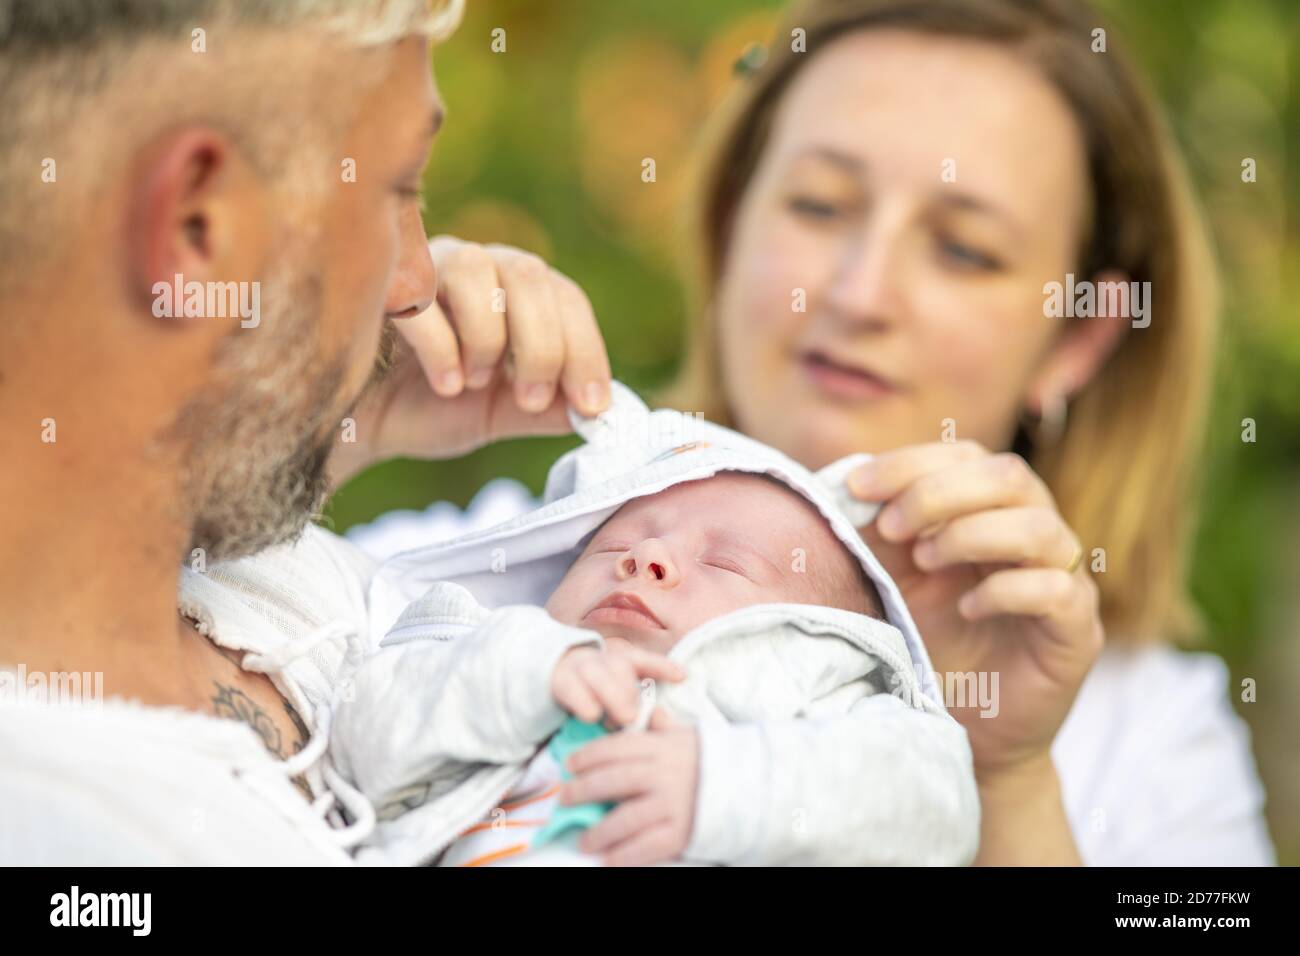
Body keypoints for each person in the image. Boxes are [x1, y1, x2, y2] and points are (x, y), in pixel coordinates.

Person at [352, 0, 1276, 865]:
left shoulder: (1154, 733)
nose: (858, 293)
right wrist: (351, 419)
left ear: (1075, 337)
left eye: (964, 250)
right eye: (820, 205)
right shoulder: (457, 579)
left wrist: (1005, 779)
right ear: (730, 224)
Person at [0, 0, 616, 863]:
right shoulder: (64, 826)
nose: (415, 283)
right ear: (195, 224)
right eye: (400, 186)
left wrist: (318, 412)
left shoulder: (271, 598)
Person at [330, 395, 978, 866]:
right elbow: (363, 728)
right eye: (615, 547)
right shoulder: (484, 650)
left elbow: (937, 801)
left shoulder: (825, 703)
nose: (646, 561)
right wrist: (518, 673)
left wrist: (727, 784)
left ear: (823, 637)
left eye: (725, 562)